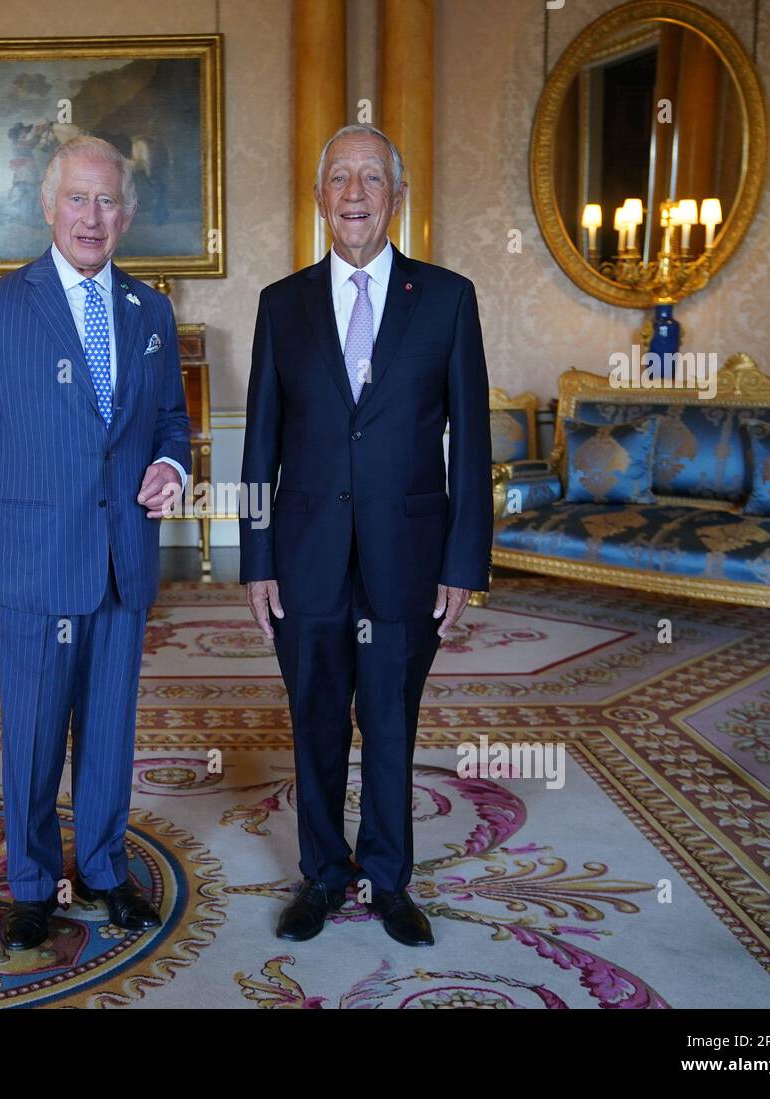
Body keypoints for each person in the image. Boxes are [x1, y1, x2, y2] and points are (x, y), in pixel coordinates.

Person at [0, 135, 191, 951]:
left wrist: (172, 464)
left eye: (107, 200)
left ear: (129, 213)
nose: (92, 215)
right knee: (36, 735)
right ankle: (35, 884)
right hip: (32, 563)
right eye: (77, 199)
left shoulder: (152, 311)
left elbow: (172, 420)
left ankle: (106, 870)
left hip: (122, 559)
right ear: (47, 208)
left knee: (109, 732)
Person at [239, 124, 493, 947]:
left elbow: (474, 441)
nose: (354, 193)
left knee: (390, 719)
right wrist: (255, 558)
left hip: (408, 558)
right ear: (319, 197)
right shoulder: (281, 305)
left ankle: (389, 880)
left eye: (371, 179)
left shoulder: (449, 298)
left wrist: (463, 562)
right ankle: (323, 873)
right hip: (305, 558)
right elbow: (258, 444)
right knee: (314, 718)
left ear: (397, 197)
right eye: (340, 178)